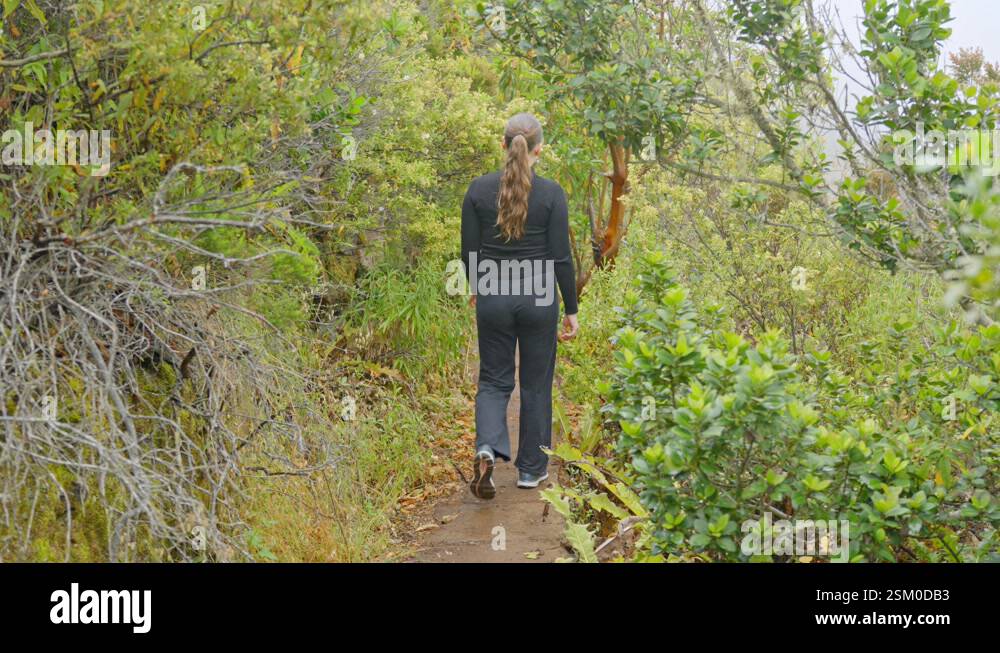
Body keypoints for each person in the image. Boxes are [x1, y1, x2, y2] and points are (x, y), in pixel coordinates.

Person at [460, 112, 579, 500]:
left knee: (494, 381)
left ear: (503, 145)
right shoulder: (552, 193)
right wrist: (572, 309)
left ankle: (487, 448)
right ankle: (530, 471)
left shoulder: (478, 190)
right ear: (539, 150)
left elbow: (469, 252)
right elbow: (562, 258)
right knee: (535, 384)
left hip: (493, 295)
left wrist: (478, 287)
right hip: (540, 297)